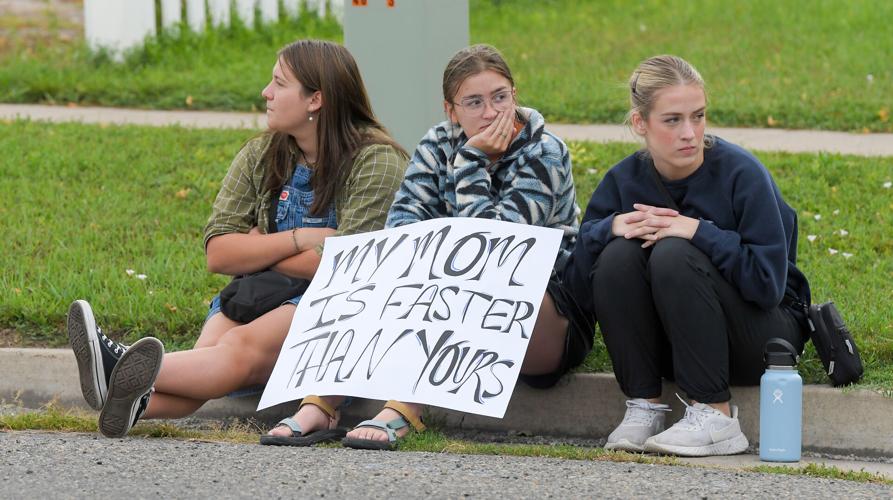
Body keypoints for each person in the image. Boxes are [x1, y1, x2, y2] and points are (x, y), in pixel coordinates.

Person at [66, 39, 408, 439]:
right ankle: (129, 400)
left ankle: (114, 363)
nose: (266, 92)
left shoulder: (377, 161)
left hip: (339, 305)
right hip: (259, 292)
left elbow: (345, 264)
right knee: (206, 363)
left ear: (316, 99)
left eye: (279, 83)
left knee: (236, 349)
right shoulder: (261, 154)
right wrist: (300, 238)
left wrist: (260, 248)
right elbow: (219, 252)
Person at [270, 43, 595, 450]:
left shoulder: (545, 152)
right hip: (453, 298)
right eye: (474, 102)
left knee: (470, 284)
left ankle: (406, 409)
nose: (491, 112)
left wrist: (471, 161)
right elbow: (402, 226)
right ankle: (323, 401)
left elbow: (497, 249)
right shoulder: (438, 143)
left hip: (543, 315)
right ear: (451, 110)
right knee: (378, 276)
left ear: (515, 94)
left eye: (500, 97)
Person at [563, 55, 811, 457]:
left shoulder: (742, 174)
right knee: (617, 256)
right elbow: (578, 293)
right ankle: (645, 407)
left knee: (675, 252)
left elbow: (768, 286)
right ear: (640, 123)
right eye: (672, 120)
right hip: (676, 345)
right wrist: (607, 230)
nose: (690, 133)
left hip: (761, 339)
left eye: (698, 116)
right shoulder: (623, 181)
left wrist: (698, 231)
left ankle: (715, 415)